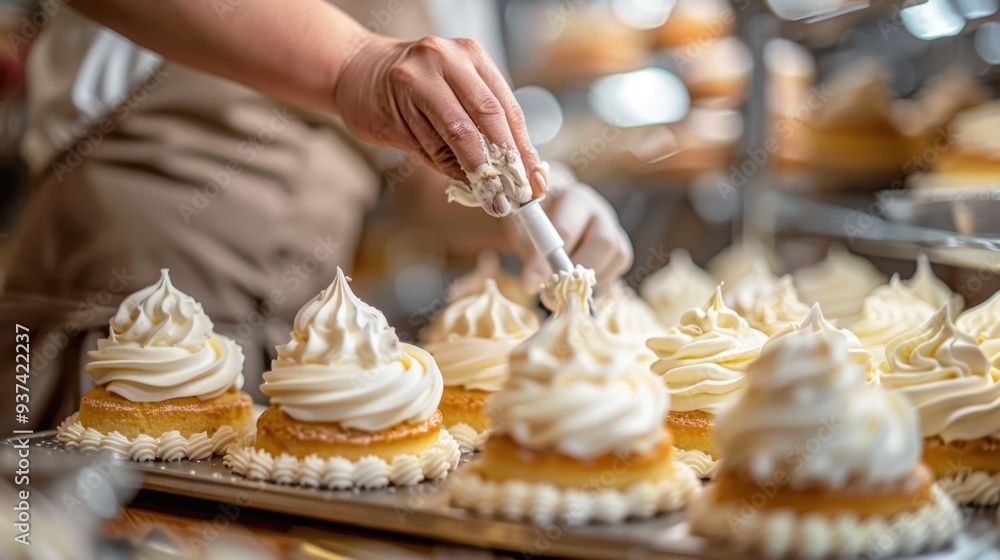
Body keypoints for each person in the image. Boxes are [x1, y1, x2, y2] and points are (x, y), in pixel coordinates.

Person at [0, 0, 633, 434]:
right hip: (113, 340)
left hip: (298, 363)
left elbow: (422, 181)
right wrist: (354, 60)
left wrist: (529, 207)